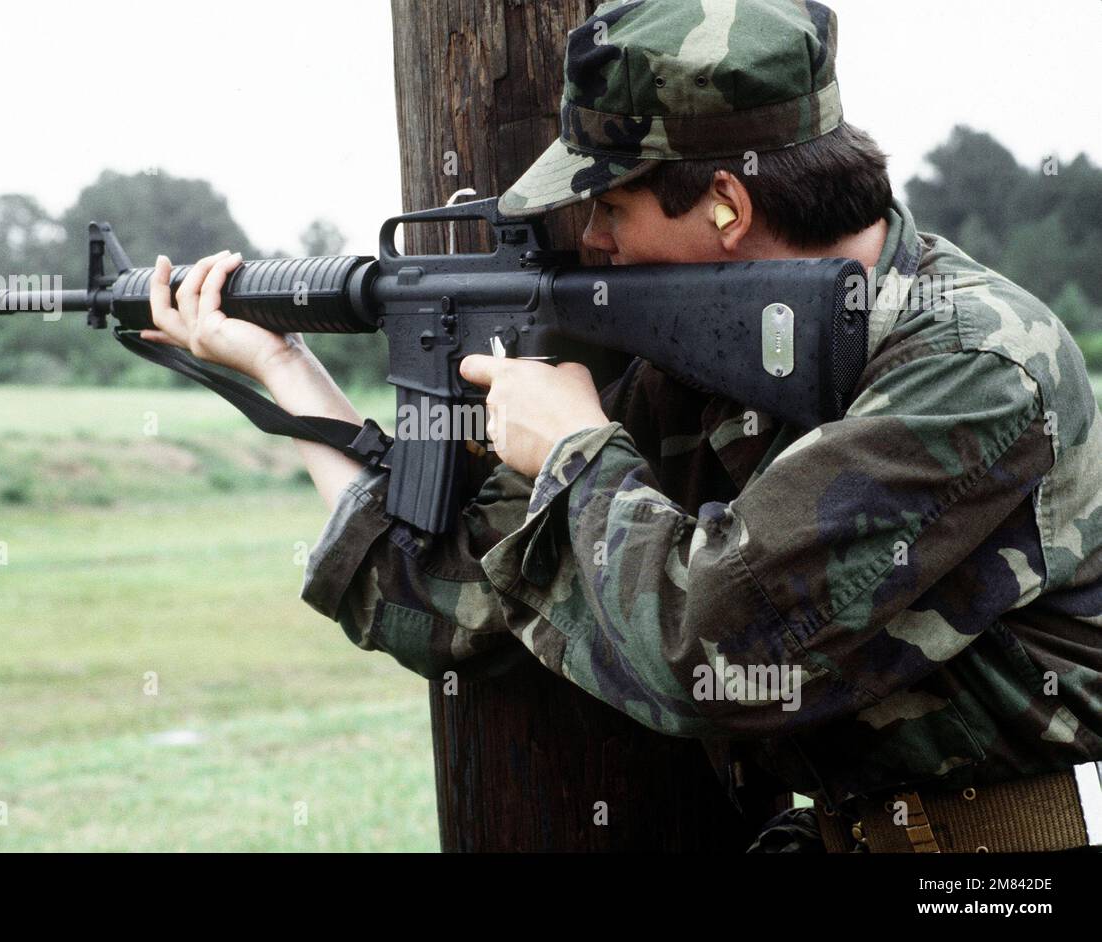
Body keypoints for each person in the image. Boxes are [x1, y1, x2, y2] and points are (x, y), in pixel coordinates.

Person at [140, 0, 1102, 853]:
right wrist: (282, 366)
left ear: (727, 202)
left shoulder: (976, 364)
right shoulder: (701, 364)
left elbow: (712, 653)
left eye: (611, 204)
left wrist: (574, 450)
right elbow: (447, 602)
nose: (592, 239)